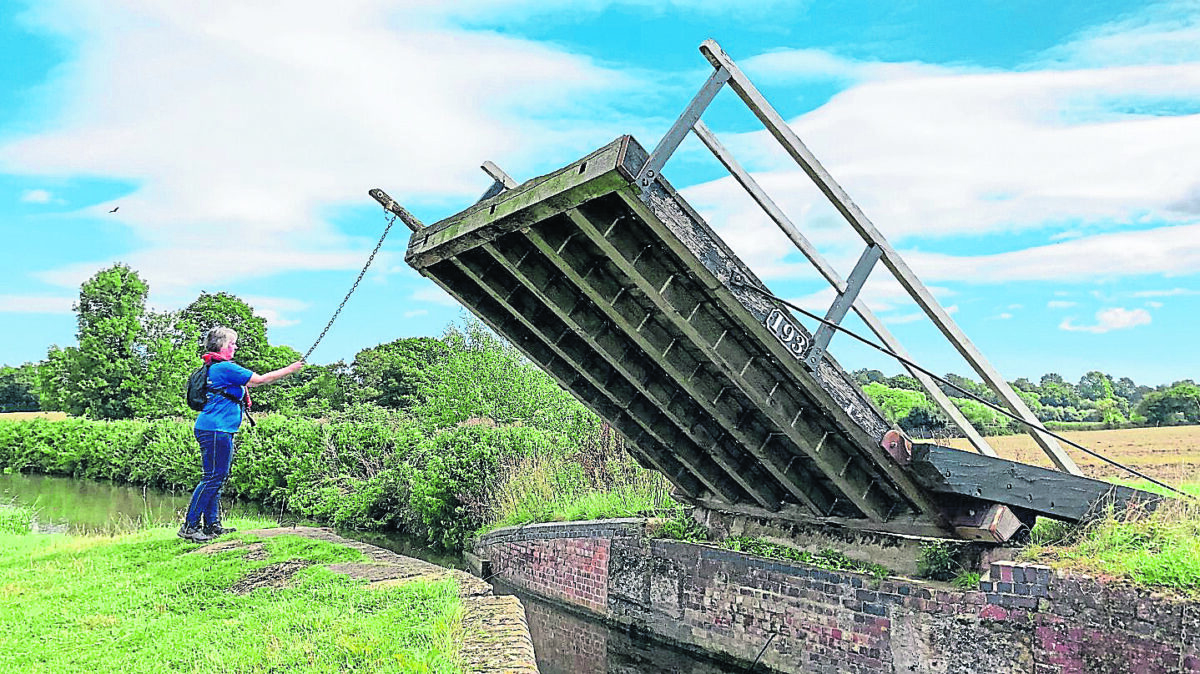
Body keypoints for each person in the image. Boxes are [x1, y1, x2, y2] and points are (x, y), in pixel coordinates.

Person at [178, 327, 303, 543]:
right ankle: (190, 526)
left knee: (215, 477)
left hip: (213, 428)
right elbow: (261, 380)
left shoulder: (213, 368)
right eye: (232, 343)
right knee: (213, 478)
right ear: (222, 346)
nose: (235, 347)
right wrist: (290, 369)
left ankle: (212, 525)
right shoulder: (225, 368)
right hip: (217, 430)